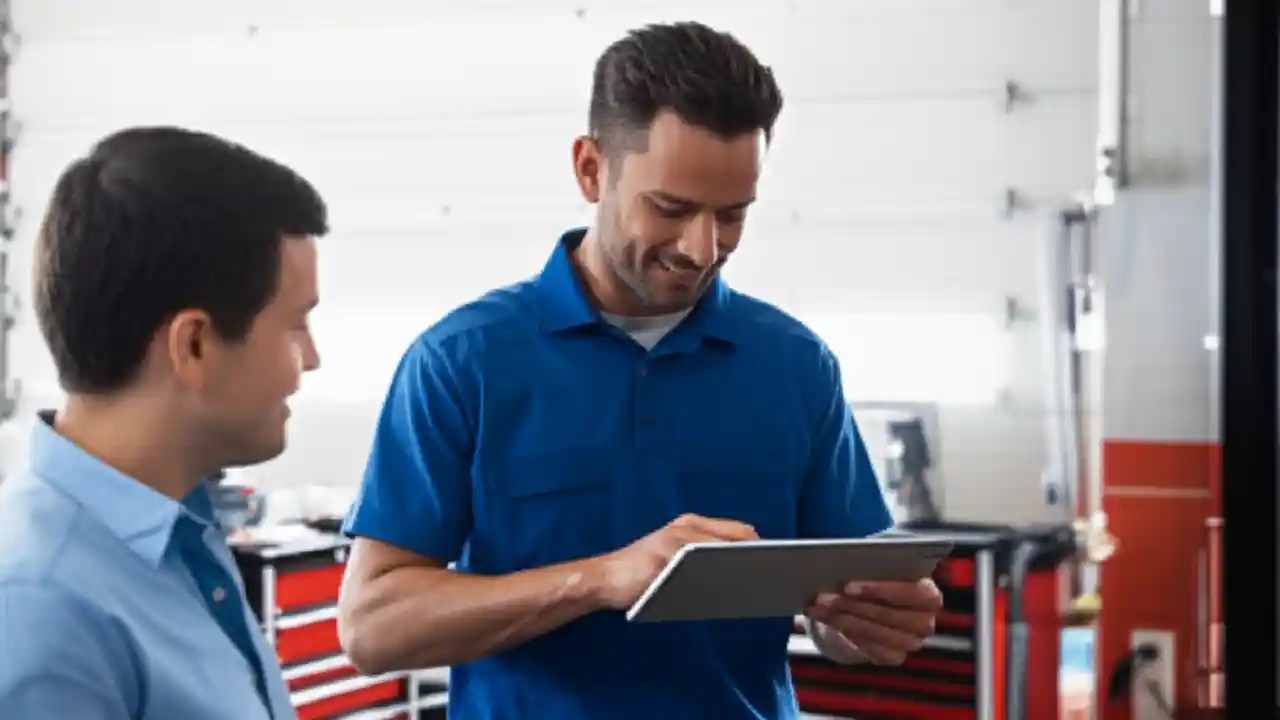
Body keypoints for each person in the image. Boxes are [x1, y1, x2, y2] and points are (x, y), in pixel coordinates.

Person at [338, 20, 943, 719]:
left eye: (734, 214)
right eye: (671, 208)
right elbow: (371, 627)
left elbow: (841, 613)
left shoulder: (796, 366)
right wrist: (600, 580)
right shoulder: (460, 363)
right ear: (591, 169)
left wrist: (866, 624)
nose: (702, 248)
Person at [0, 127, 327, 719]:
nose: (311, 357)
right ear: (194, 344)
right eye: (296, 324)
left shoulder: (182, 535)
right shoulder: (41, 615)